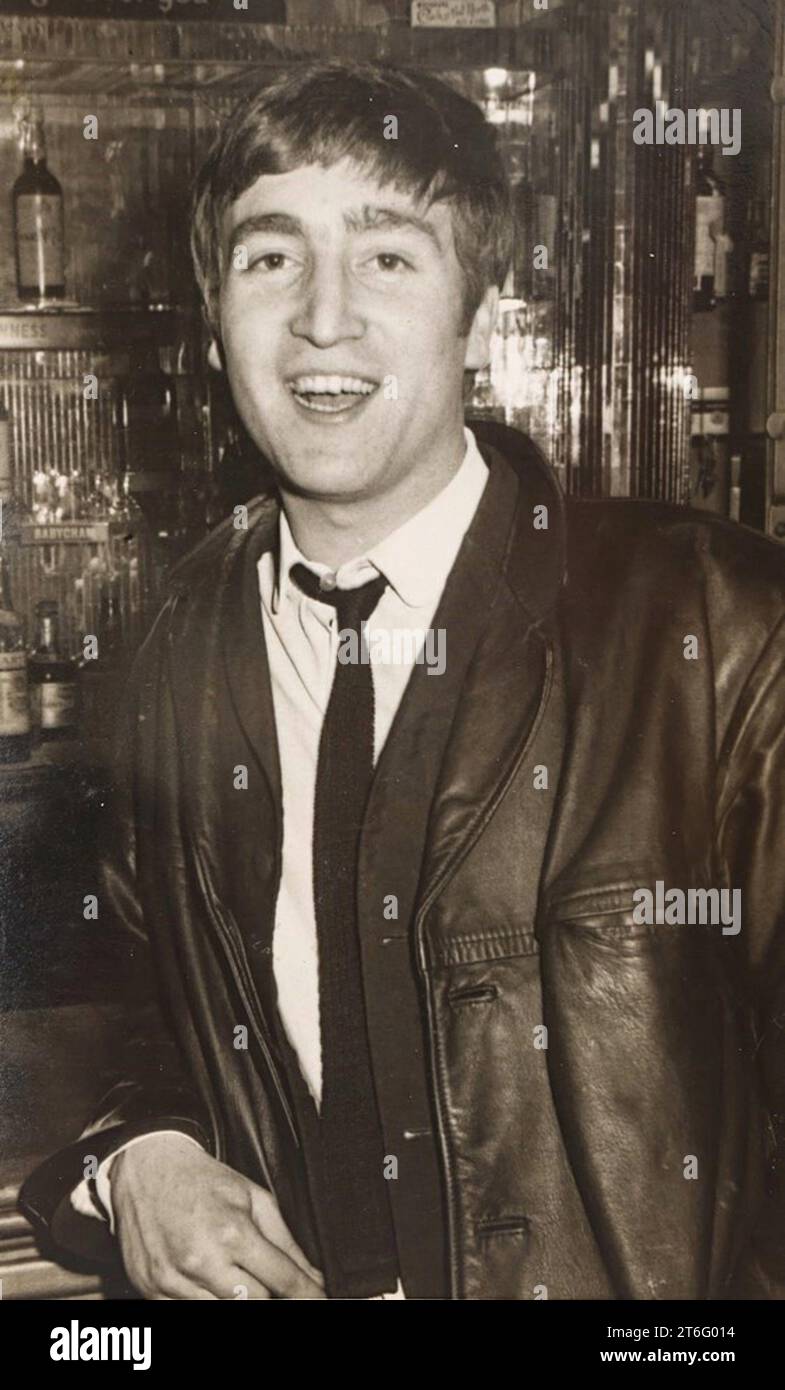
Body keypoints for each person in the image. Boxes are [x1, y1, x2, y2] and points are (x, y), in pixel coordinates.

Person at [21, 59, 785, 1301]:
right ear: (213, 313)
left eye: (387, 255)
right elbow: (139, 1002)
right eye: (273, 258)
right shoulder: (178, 648)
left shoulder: (717, 630)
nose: (325, 319)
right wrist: (141, 1153)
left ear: (475, 310)